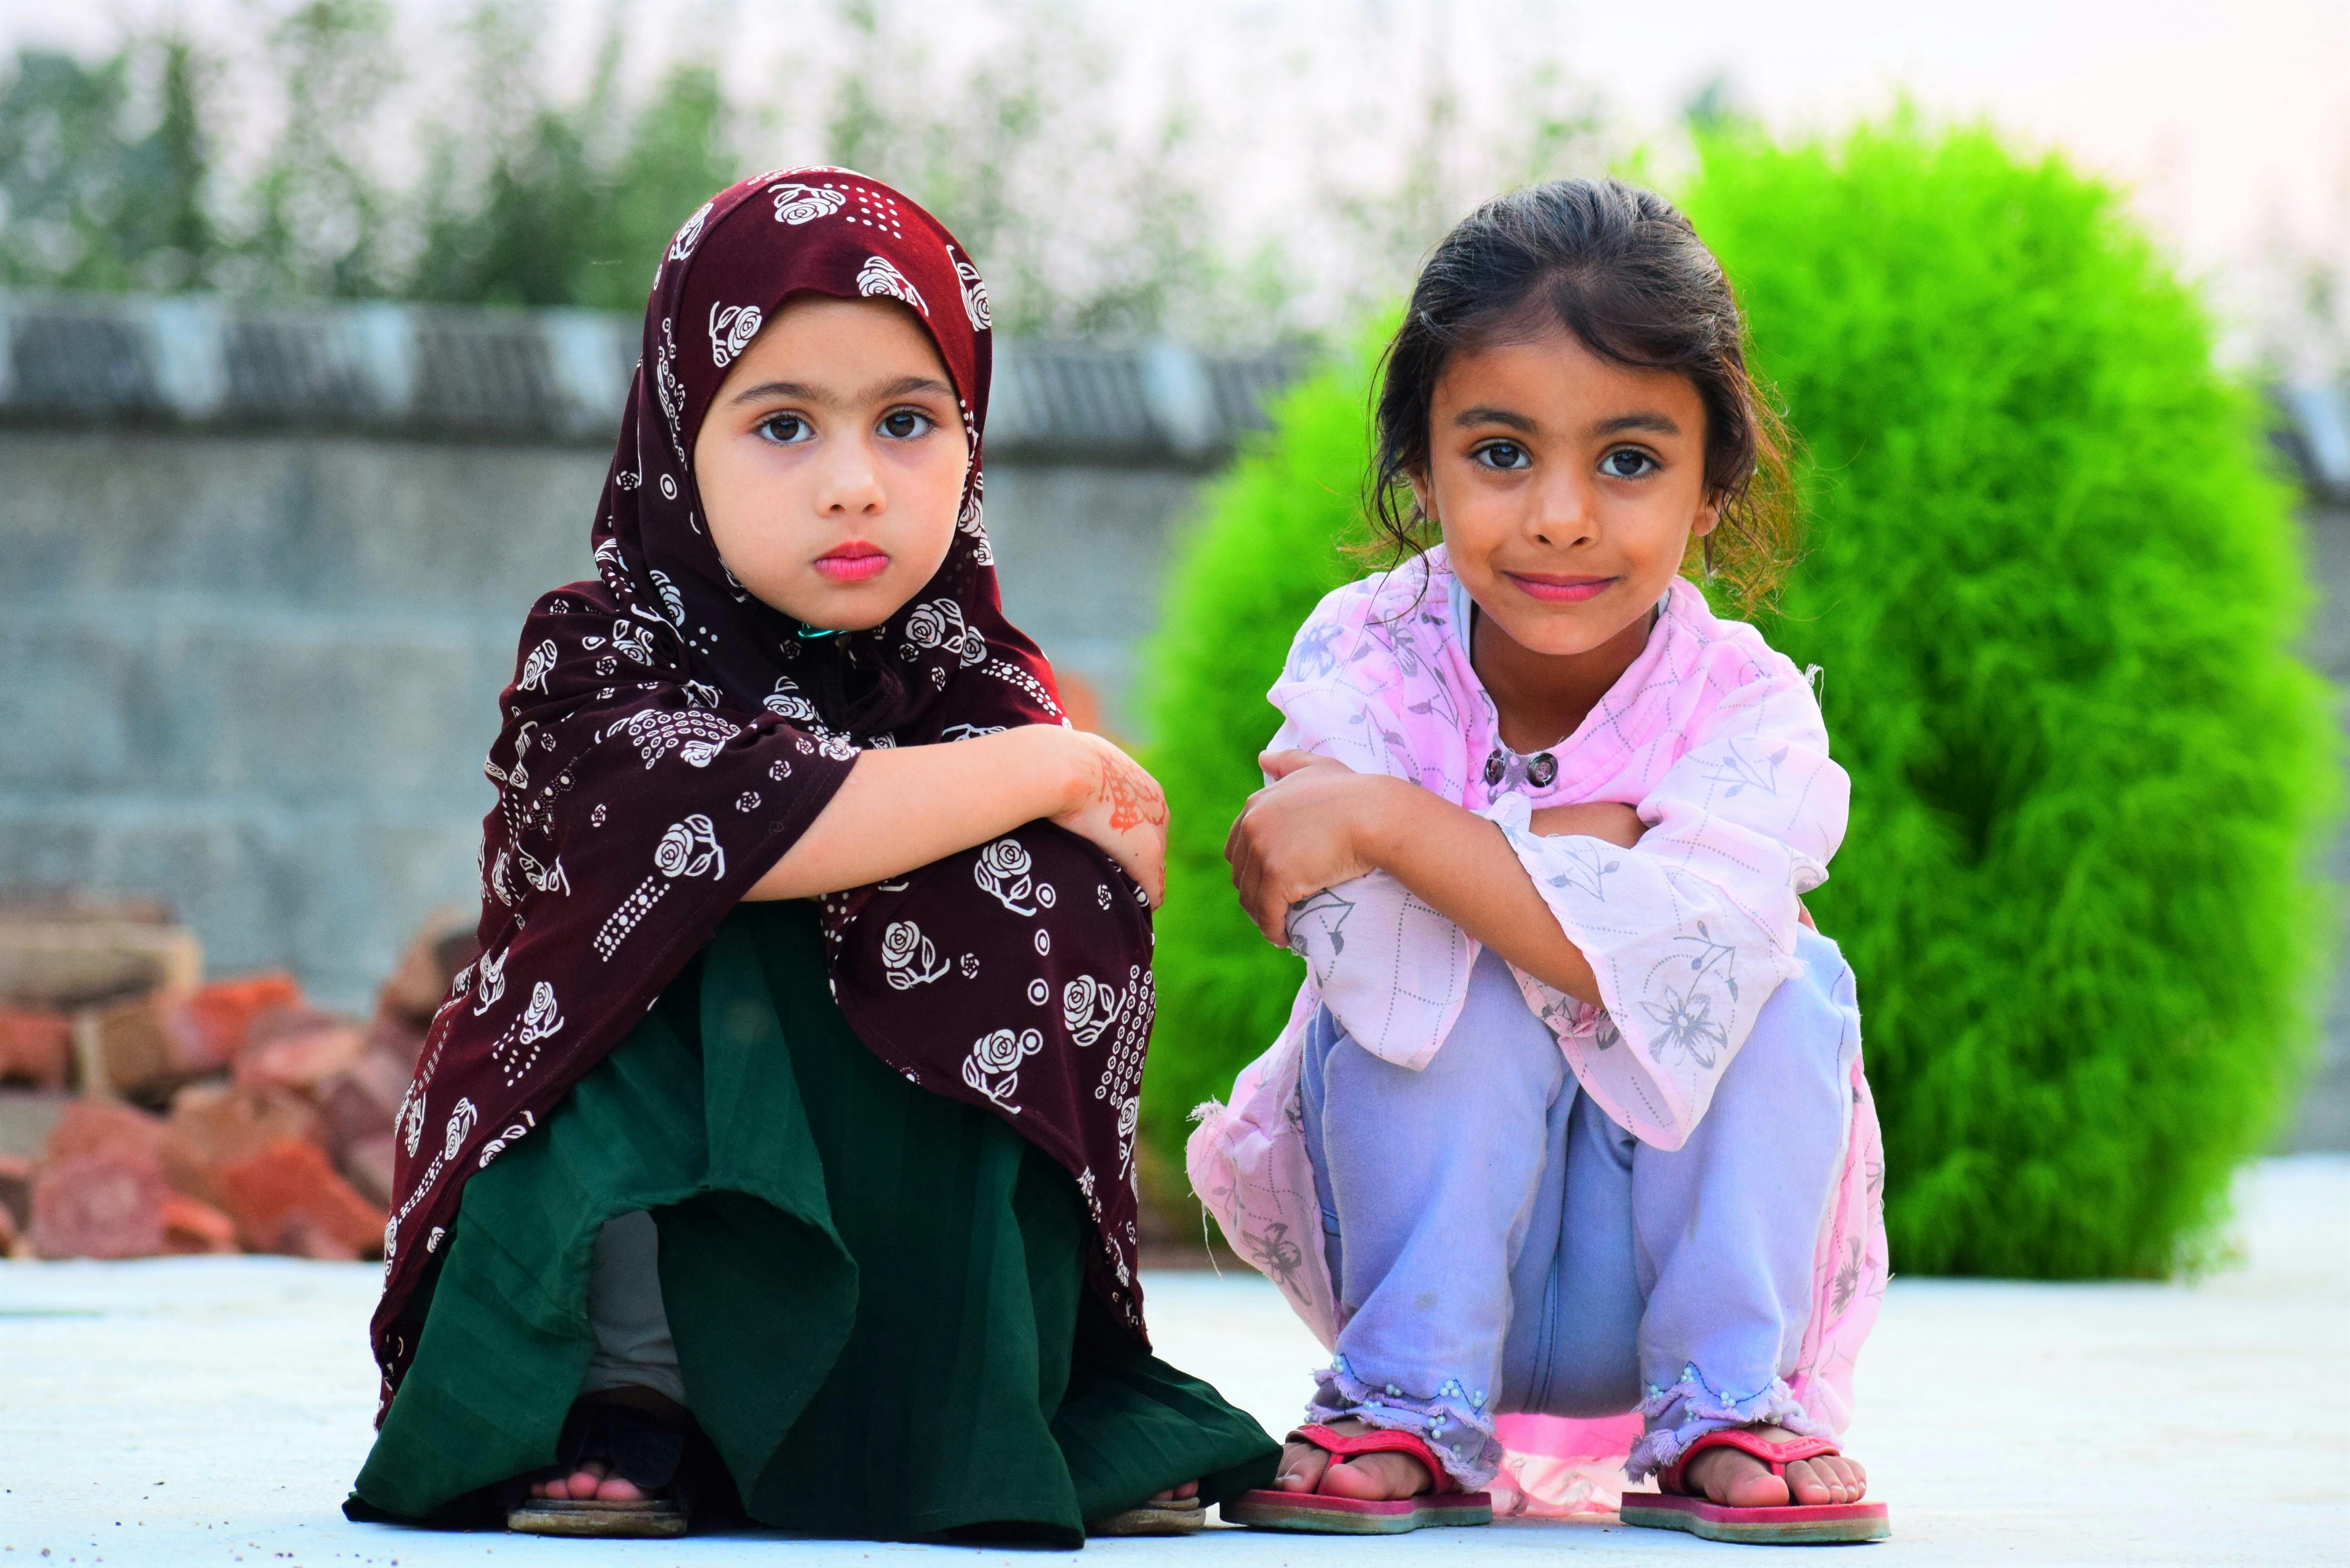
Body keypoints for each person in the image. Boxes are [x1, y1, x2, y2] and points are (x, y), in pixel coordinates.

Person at [344, 168, 1276, 1545]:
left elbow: (1124, 870)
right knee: (708, 917)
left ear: (972, 445)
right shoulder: (597, 650)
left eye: (908, 424)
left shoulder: (966, 676)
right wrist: (1049, 767)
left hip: (892, 1285)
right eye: (783, 425)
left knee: (1035, 887)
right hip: (624, 1272)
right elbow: (743, 825)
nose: (854, 486)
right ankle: (632, 1394)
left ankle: (966, 1393)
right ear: (680, 435)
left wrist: (1035, 793)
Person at [1188, 178, 1891, 1547]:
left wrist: (1397, 823)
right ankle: (1399, 1403)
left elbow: (1705, 942)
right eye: (1502, 454)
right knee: (1440, 959)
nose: (1562, 516)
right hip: (1433, 1276)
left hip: (1666, 1284)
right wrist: (1607, 854)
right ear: (1425, 465)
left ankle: (1730, 1407)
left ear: (1711, 487)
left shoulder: (1746, 707)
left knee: (1786, 978)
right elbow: (1335, 917)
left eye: (1630, 461)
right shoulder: (1367, 654)